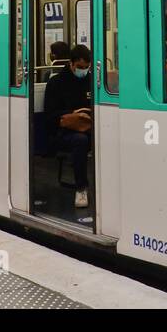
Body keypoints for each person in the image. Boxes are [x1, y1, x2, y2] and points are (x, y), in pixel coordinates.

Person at [43, 44, 93, 209]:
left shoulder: (92, 81)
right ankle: (81, 188)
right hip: (63, 132)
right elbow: (49, 116)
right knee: (80, 140)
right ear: (71, 64)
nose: (83, 71)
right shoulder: (56, 83)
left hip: (90, 127)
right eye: (79, 67)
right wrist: (73, 113)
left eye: (86, 68)